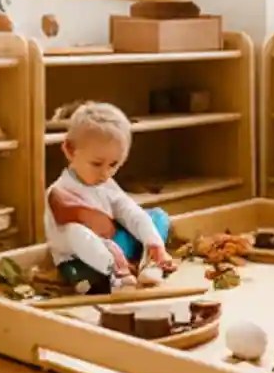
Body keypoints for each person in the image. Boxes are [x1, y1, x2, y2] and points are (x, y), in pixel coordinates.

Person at [44, 102, 175, 293]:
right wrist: (116, 264)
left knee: (157, 216)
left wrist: (154, 243)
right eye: (97, 164)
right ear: (70, 150)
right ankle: (121, 272)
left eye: (114, 164)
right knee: (83, 266)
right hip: (83, 258)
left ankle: (150, 261)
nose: (105, 173)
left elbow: (129, 211)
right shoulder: (59, 193)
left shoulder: (106, 184)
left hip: (117, 245)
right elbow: (74, 238)